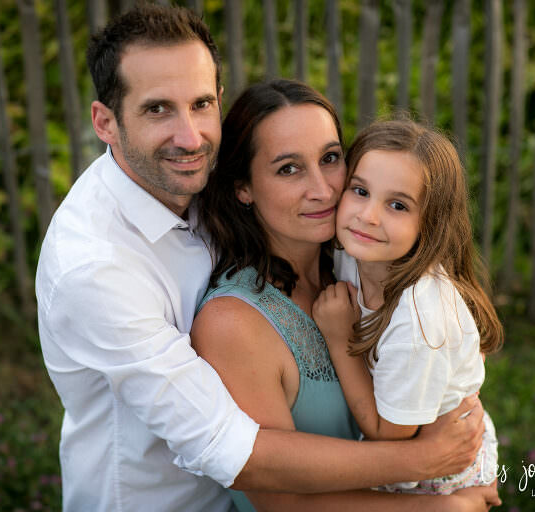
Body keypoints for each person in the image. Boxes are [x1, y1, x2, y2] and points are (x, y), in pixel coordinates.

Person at [35, 4, 498, 511]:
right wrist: (432, 482)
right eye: (157, 108)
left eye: (330, 158)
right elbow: (240, 458)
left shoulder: (341, 253)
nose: (190, 136)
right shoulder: (97, 269)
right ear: (104, 121)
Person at [192, 80, 500, 510]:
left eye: (330, 159)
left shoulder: (355, 261)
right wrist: (442, 506)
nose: (322, 189)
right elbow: (283, 503)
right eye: (288, 169)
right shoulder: (234, 323)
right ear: (243, 187)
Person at [312, 119, 505, 495]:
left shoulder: (418, 320)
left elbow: (391, 434)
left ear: (430, 224)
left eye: (398, 205)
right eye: (360, 190)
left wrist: (339, 338)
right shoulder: (357, 255)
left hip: (439, 477)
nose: (368, 215)